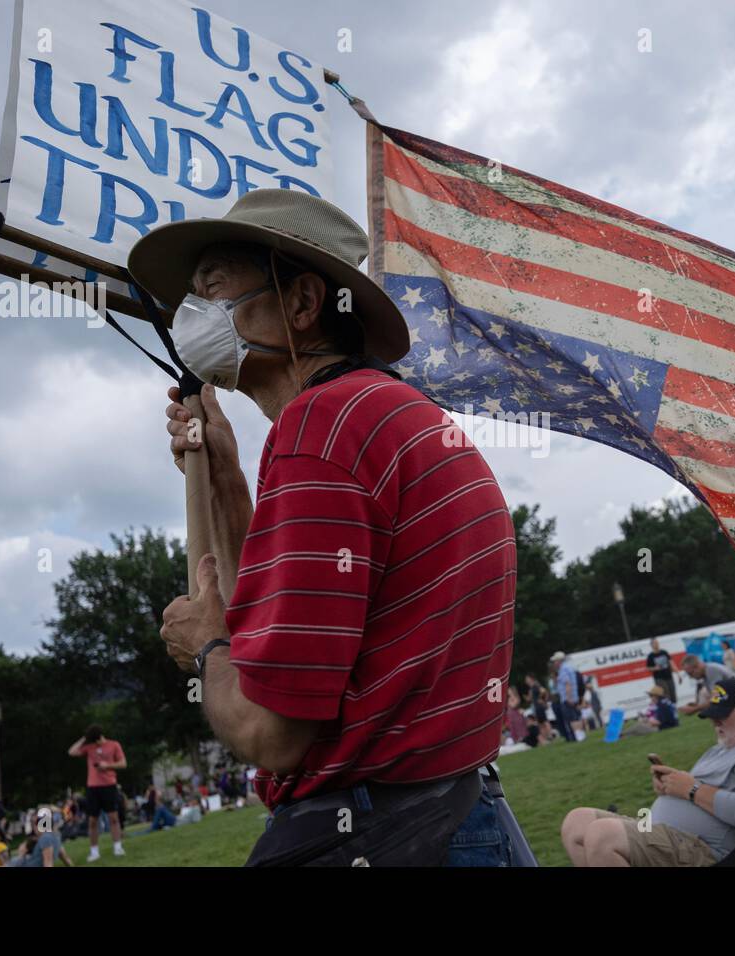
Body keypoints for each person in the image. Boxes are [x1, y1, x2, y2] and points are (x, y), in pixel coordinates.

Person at [139, 189, 518, 866]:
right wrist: (222, 477)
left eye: (215, 289)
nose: (193, 313)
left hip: (379, 833)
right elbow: (269, 631)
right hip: (453, 815)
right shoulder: (381, 413)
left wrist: (207, 651)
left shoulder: (320, 430)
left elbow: (272, 730)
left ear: (304, 304)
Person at [561, 678, 735, 867]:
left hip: (700, 849)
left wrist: (690, 789)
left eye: (721, 715)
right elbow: (694, 790)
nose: (714, 722)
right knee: (576, 821)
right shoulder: (721, 748)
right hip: (664, 833)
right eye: (712, 716)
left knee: (602, 835)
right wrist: (671, 785)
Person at [67, 724, 127, 862]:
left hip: (109, 785)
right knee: (92, 820)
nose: (95, 743)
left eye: (95, 740)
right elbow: (71, 752)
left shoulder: (114, 745)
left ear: (100, 737)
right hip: (93, 788)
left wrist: (108, 766)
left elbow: (123, 763)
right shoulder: (89, 747)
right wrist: (84, 738)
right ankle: (94, 852)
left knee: (113, 818)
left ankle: (117, 847)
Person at [550, 652, 585, 742]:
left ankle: (578, 736)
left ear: (559, 661)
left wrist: (569, 698)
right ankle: (581, 735)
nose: (554, 663)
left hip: (568, 698)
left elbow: (567, 684)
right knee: (576, 716)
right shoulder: (569, 667)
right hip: (574, 696)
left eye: (555, 661)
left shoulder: (563, 669)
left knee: (571, 718)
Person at [646, 638, 677, 703]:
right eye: (655, 643)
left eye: (657, 642)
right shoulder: (650, 656)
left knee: (672, 694)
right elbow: (648, 668)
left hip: (669, 676)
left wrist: (677, 673)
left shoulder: (664, 652)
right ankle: (668, 709)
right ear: (651, 645)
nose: (657, 644)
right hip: (659, 678)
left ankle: (673, 708)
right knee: (666, 694)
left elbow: (671, 662)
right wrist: (655, 668)